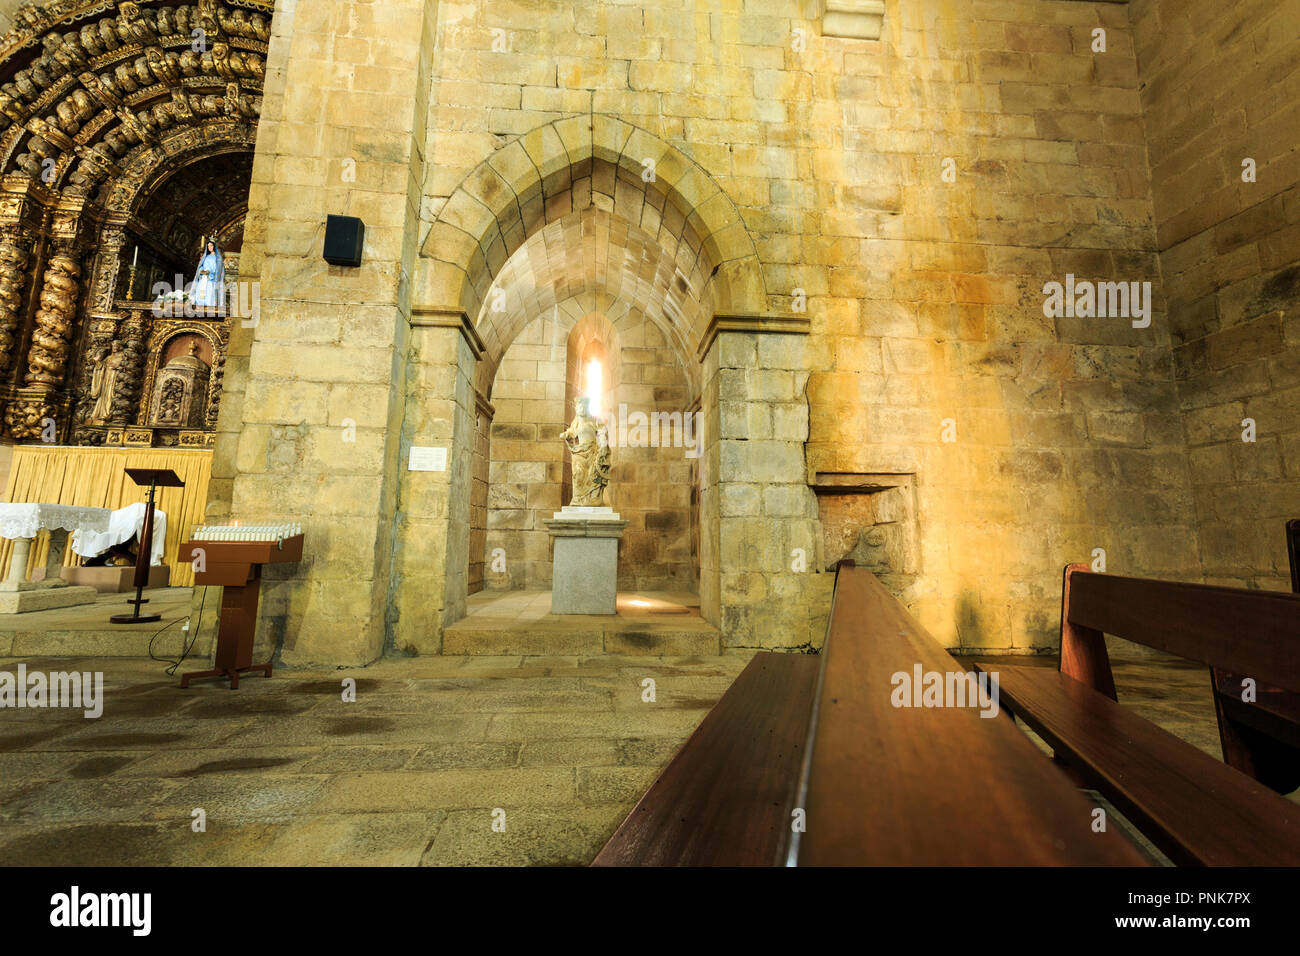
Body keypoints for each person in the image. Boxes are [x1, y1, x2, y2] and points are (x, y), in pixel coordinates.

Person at [561, 396, 612, 507]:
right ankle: (578, 499)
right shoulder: (575, 422)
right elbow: (571, 432)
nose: (582, 409)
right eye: (579, 407)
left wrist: (603, 444)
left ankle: (594, 498)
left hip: (592, 453)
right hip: (579, 454)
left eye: (584, 407)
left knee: (593, 476)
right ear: (576, 409)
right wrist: (566, 434)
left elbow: (602, 430)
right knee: (578, 475)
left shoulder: (594, 420)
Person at [190, 239, 224, 309]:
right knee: (200, 294)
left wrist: (210, 272)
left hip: (211, 280)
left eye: (211, 246)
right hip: (203, 279)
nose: (209, 247)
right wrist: (201, 271)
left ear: (214, 246)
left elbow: (219, 270)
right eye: (208, 246)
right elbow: (201, 266)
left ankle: (209, 309)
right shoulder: (205, 257)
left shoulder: (218, 258)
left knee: (209, 295)